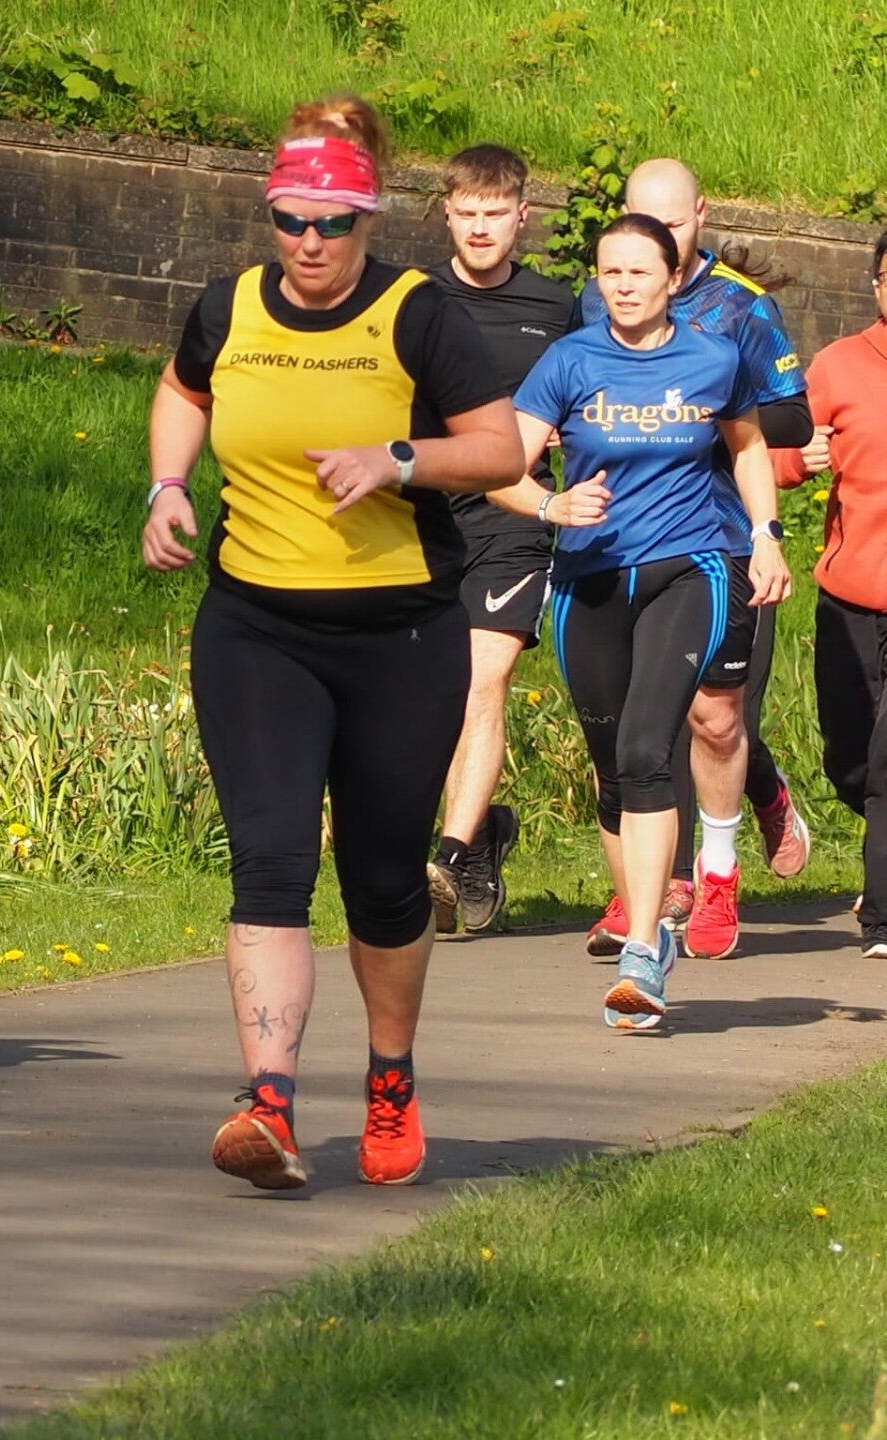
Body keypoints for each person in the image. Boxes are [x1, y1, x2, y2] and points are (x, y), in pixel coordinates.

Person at [143, 96, 522, 1190]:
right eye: (290, 221)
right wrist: (169, 485)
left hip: (400, 632)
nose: (310, 244)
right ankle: (267, 1106)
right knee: (269, 860)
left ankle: (392, 1080)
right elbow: (183, 390)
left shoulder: (417, 315)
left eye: (333, 224)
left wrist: (399, 458)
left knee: (383, 880)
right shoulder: (227, 308)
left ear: (368, 220)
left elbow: (496, 448)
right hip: (256, 625)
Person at [501, 214, 791, 1028]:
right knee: (611, 770)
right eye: (609, 273)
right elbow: (503, 466)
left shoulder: (712, 355)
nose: (622, 285)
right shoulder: (569, 360)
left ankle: (643, 947)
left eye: (639, 272)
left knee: (643, 747)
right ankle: (643, 917)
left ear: (673, 278)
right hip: (590, 579)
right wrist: (552, 503)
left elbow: (746, 448)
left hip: (690, 567)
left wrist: (764, 539)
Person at [578, 158, 816, 961]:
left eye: (675, 227)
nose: (659, 246)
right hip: (619, 544)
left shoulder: (742, 308)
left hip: (718, 535)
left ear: (702, 218)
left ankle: (717, 876)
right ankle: (649, 888)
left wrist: (693, 408)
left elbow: (790, 416)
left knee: (715, 716)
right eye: (643, 225)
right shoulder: (602, 295)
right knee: (642, 718)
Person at [424, 144, 579, 934]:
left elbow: (598, 398)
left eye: (496, 214)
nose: (481, 228)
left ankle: (446, 859)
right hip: (421, 519)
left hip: (518, 520)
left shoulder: (560, 308)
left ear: (523, 216)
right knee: (434, 697)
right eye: (467, 212)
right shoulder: (410, 299)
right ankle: (484, 835)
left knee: (484, 684)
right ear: (445, 212)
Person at [773, 230, 887, 958]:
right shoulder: (840, 363)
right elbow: (778, 450)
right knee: (849, 759)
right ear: (877, 285)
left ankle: (882, 916)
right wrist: (797, 459)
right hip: (850, 594)